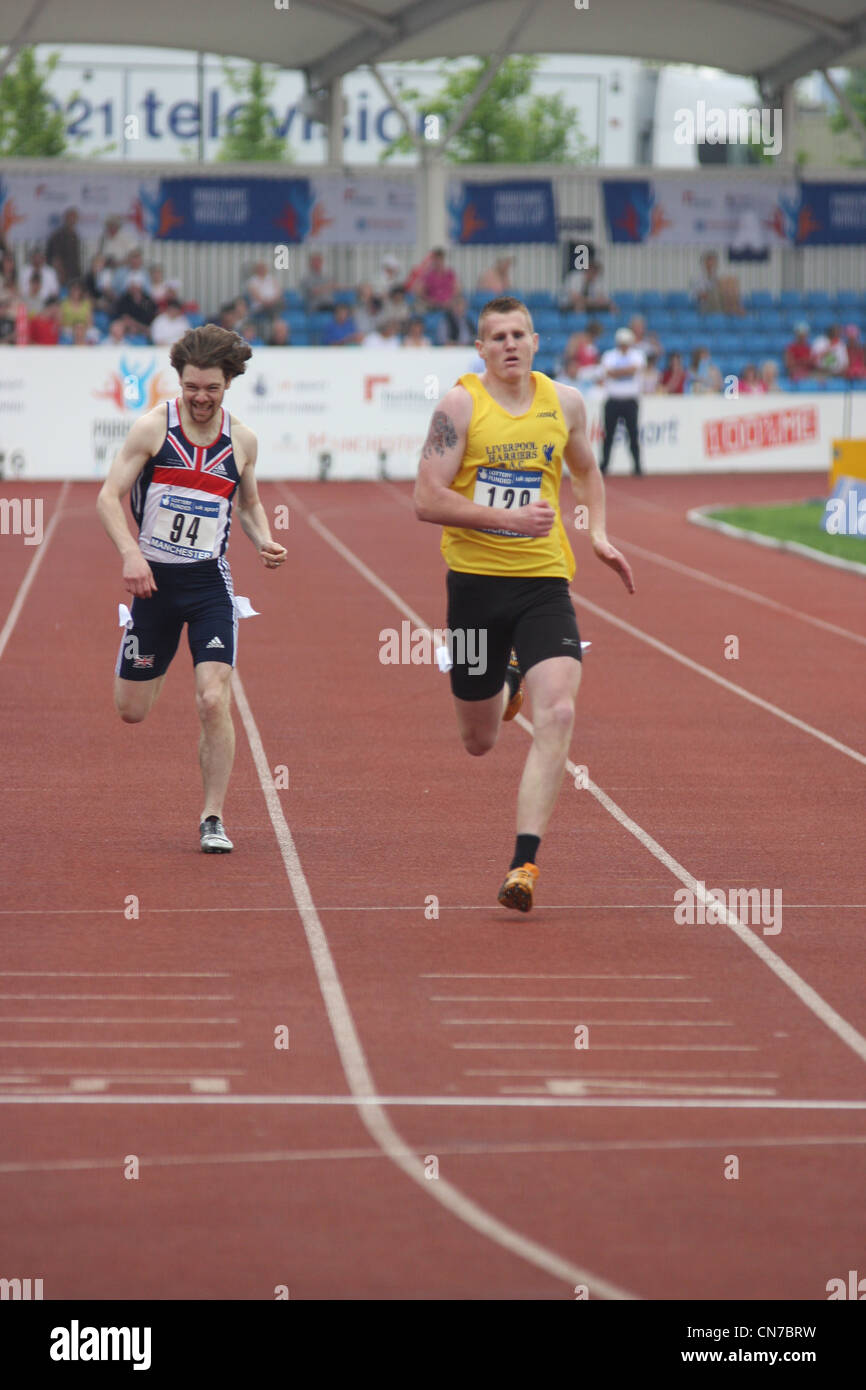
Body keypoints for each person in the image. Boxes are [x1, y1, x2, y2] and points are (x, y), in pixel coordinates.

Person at [412, 295, 634, 912]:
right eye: (497, 337)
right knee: (479, 740)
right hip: (475, 588)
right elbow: (426, 499)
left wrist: (595, 534)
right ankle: (503, 683)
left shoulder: (565, 403)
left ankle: (524, 864)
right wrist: (502, 516)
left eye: (519, 334)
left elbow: (587, 469)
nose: (509, 344)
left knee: (558, 712)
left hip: (544, 583)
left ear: (535, 342)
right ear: (480, 349)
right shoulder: (459, 405)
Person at [96, 325, 287, 854]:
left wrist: (264, 539)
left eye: (212, 389)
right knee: (131, 710)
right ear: (178, 382)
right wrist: (132, 554)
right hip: (153, 584)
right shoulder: (152, 430)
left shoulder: (241, 440)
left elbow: (247, 504)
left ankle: (212, 816)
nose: (201, 398)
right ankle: (143, 654)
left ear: (228, 384)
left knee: (211, 698)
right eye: (192, 388)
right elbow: (108, 498)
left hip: (208, 584)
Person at [599, 327, 645, 475]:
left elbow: (628, 370)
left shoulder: (637, 355)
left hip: (630, 400)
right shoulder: (609, 355)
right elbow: (610, 372)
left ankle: (637, 466)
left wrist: (616, 372)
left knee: (633, 434)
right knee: (608, 435)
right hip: (613, 400)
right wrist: (625, 370)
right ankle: (604, 465)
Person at [45, 208, 82, 287]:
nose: (72, 220)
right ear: (65, 219)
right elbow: (56, 258)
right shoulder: (58, 235)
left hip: (74, 274)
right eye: (70, 218)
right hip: (63, 275)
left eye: (74, 218)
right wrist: (61, 274)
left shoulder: (74, 235)